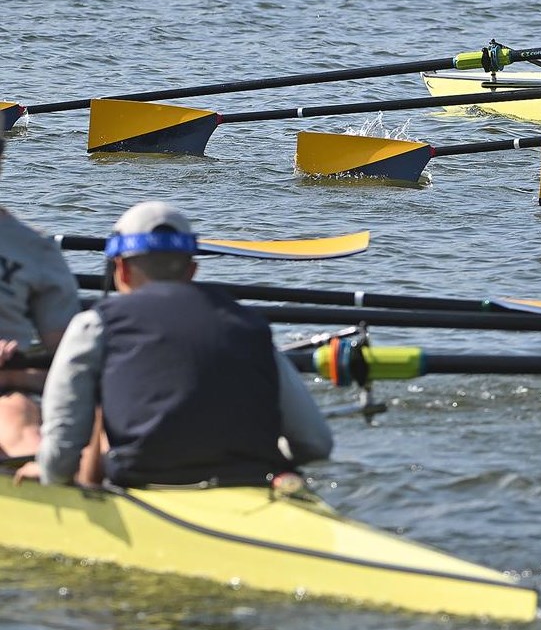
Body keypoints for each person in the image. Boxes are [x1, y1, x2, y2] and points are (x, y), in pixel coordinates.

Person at [25, 202, 332, 489]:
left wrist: (53, 478)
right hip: (249, 480)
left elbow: (63, 443)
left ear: (121, 270)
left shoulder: (95, 324)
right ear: (191, 271)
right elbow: (315, 442)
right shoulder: (249, 324)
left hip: (141, 481)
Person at [0, 135, 81, 460]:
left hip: (8, 392)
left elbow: (70, 367)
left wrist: (16, 375)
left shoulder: (36, 250)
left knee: (16, 417)